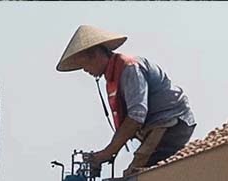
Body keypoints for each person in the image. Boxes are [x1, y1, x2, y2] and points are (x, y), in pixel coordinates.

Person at [57, 25, 196, 171]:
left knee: (135, 176)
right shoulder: (113, 77)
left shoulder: (129, 68)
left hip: (171, 122)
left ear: (96, 55)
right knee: (144, 174)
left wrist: (107, 152)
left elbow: (136, 115)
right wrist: (109, 152)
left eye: (84, 65)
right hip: (156, 127)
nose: (85, 70)